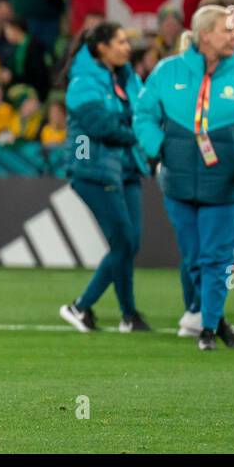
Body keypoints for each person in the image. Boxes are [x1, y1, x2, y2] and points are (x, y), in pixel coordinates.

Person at [134, 4, 234, 350]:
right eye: (227, 29)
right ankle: (218, 321)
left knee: (216, 256)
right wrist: (160, 149)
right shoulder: (168, 72)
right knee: (194, 255)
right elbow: (143, 115)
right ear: (204, 35)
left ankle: (209, 329)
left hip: (226, 186)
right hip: (178, 183)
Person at [58, 22, 151, 333]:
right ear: (102, 48)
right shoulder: (83, 81)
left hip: (127, 168)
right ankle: (81, 306)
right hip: (93, 168)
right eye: (121, 41)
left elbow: (144, 113)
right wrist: (141, 133)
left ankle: (129, 316)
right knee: (124, 241)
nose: (127, 47)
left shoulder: (125, 77)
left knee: (129, 242)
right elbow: (101, 126)